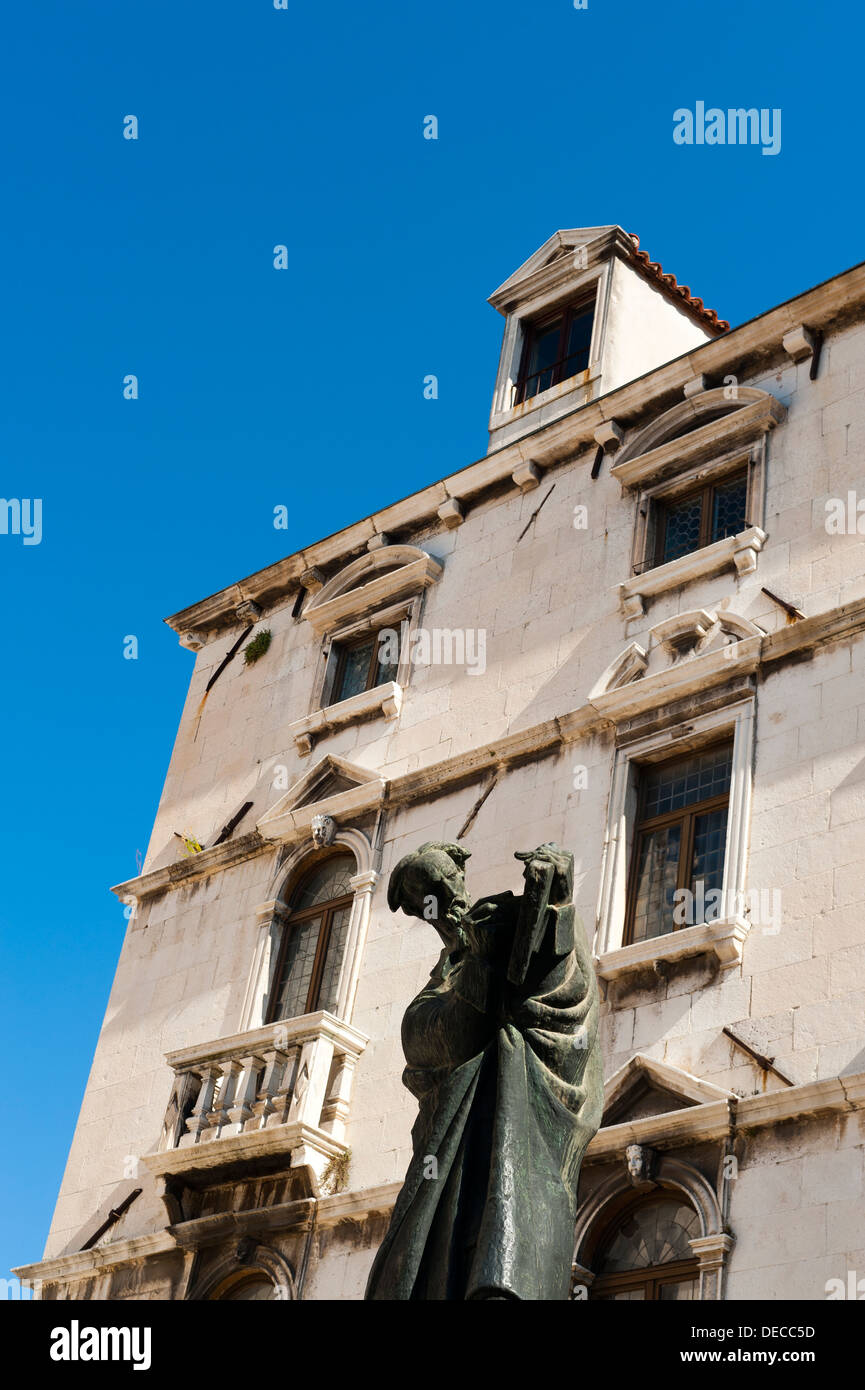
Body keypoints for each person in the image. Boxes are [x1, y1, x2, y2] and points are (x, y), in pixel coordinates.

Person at [364, 840, 603, 1301]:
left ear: (460, 877)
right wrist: (480, 962)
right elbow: (446, 1035)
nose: (445, 901)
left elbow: (561, 992)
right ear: (419, 912)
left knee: (497, 1263)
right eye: (427, 898)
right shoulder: (434, 991)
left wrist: (555, 904)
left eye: (447, 884)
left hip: (514, 1159)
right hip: (449, 1182)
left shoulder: (502, 925)